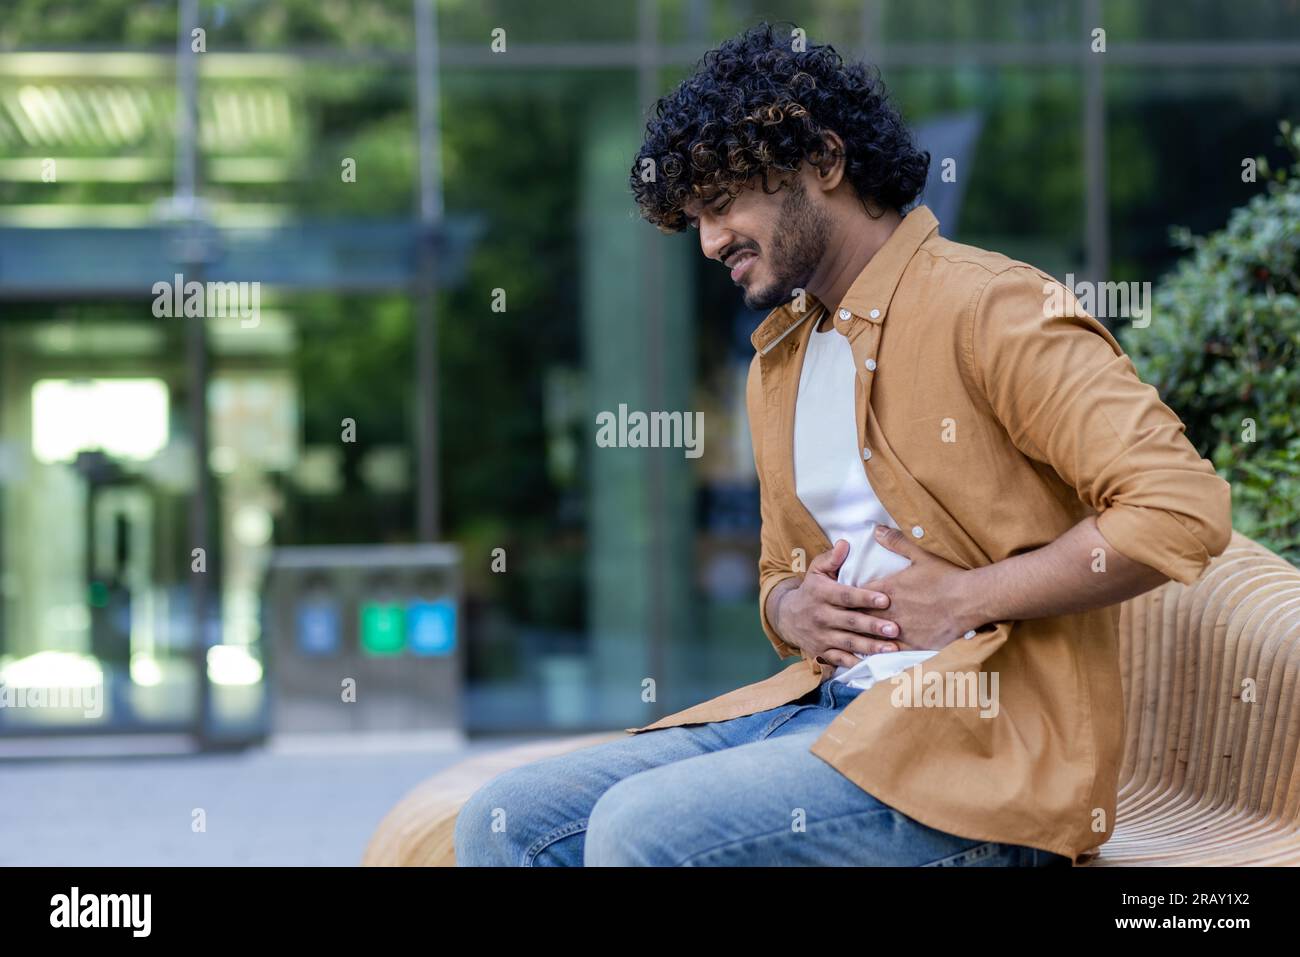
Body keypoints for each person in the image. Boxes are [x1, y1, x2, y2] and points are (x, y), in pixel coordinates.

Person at [454, 21, 1232, 867]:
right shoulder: (779, 361)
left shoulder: (994, 309)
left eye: (722, 205)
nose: (710, 241)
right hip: (824, 713)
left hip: (979, 765)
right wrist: (793, 608)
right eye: (696, 219)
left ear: (824, 163)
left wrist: (970, 597)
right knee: (505, 817)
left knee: (640, 831)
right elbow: (779, 575)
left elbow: (1180, 508)